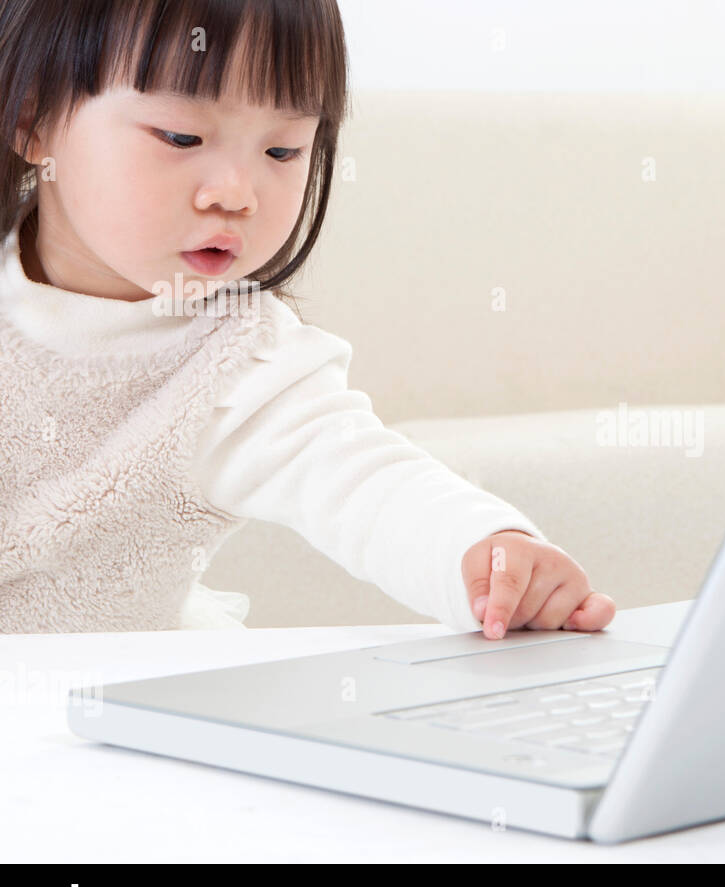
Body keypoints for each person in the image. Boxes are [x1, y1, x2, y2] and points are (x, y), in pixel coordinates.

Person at [0, 0, 616, 637]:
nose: (235, 194)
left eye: (283, 150)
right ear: (33, 118)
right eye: (182, 138)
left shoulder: (243, 364)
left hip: (102, 708)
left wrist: (486, 549)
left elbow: (366, 483)